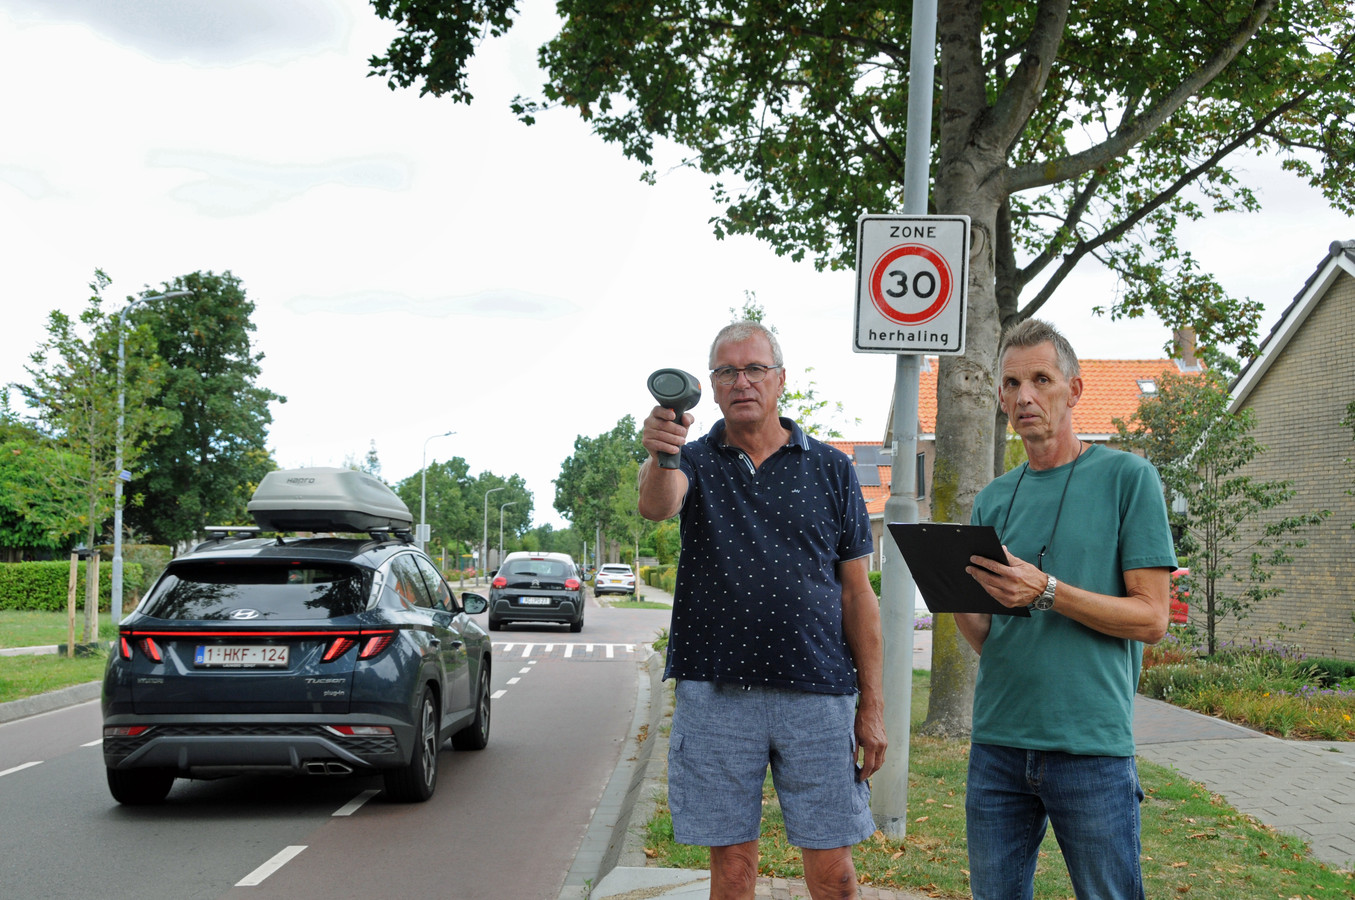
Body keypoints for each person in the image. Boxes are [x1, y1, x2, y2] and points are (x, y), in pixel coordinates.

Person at [638, 320, 886, 900]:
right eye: (727, 371)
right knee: (733, 872)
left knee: (836, 876)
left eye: (754, 369)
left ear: (780, 379)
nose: (741, 381)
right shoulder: (692, 462)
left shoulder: (831, 468)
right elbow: (657, 506)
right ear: (712, 387)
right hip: (719, 694)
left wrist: (871, 703)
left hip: (820, 695)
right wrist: (661, 452)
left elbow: (857, 593)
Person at [955, 318, 1176, 900]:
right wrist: (954, 592)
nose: (1024, 396)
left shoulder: (1129, 479)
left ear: (1073, 390)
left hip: (1091, 748)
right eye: (1011, 383)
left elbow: (1152, 618)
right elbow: (988, 635)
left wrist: (1047, 591)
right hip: (998, 745)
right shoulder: (993, 498)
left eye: (1040, 380)